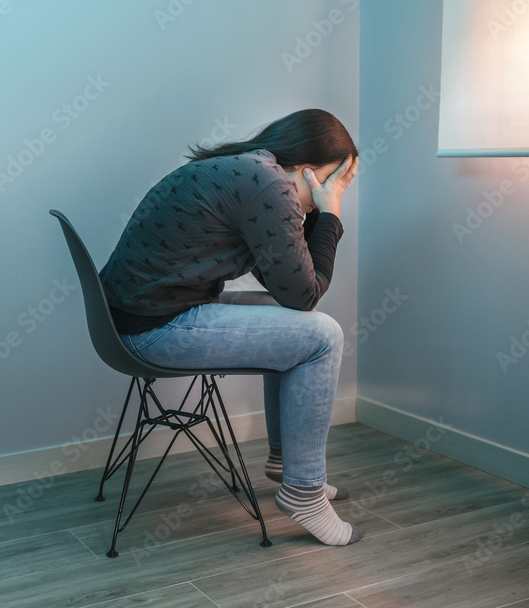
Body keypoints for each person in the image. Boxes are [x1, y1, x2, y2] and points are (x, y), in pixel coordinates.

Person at [98, 108, 362, 546]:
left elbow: (289, 288)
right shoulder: (269, 186)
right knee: (323, 335)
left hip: (137, 317)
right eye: (332, 182)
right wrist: (330, 214)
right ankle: (304, 492)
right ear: (311, 173)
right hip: (153, 330)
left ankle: (288, 465)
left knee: (301, 328)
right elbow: (306, 294)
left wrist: (315, 211)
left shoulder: (250, 171)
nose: (328, 194)